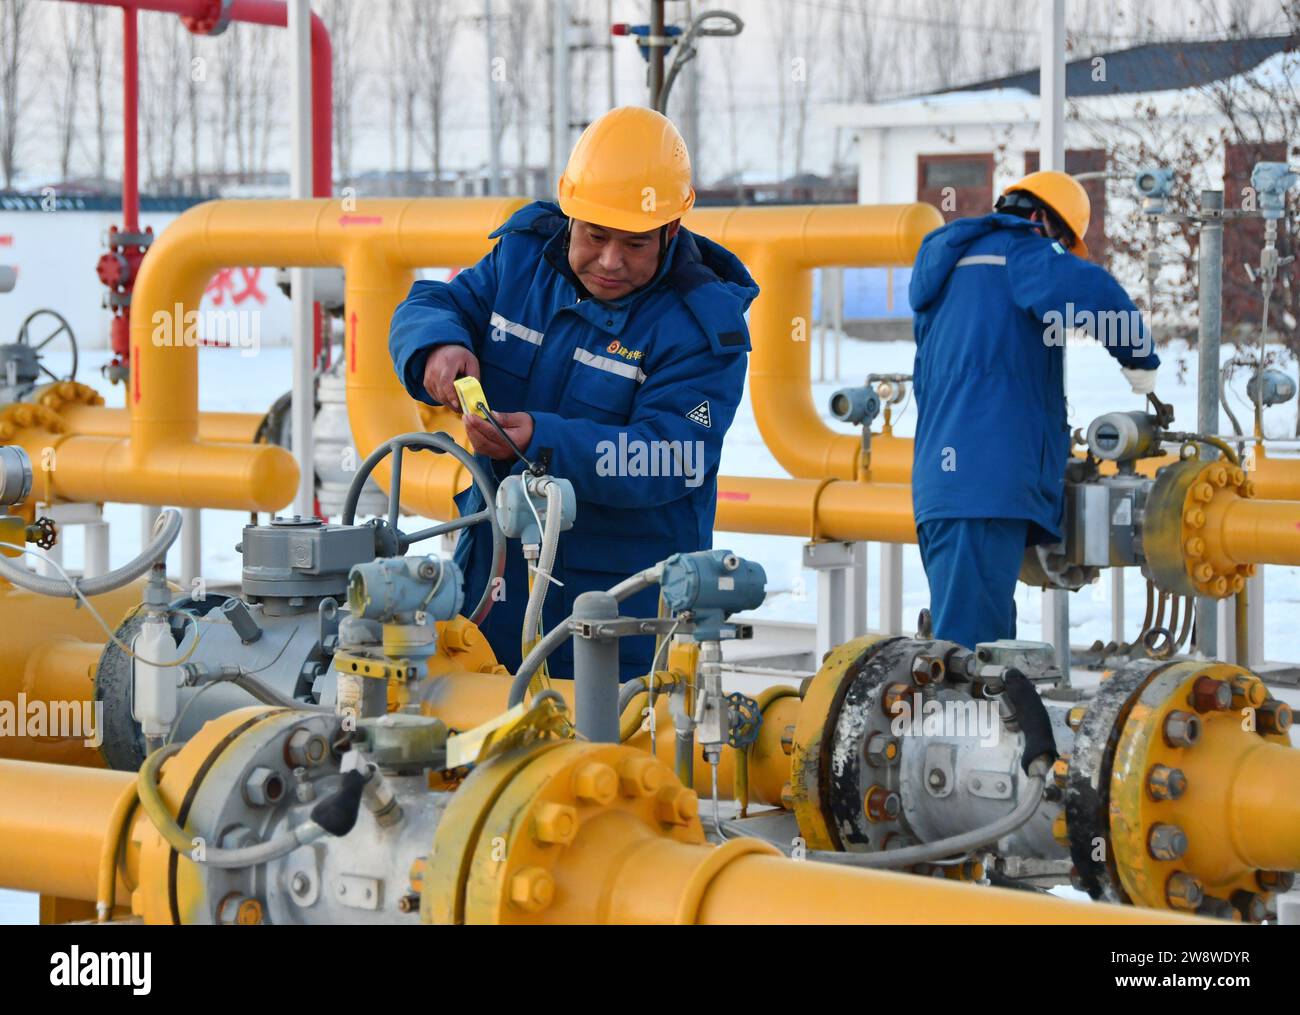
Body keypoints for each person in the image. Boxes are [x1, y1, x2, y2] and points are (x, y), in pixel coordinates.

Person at [388, 106, 758, 680]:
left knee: (608, 765)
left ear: (671, 230)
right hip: (495, 582)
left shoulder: (703, 330)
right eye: (595, 235)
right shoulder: (521, 260)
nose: (610, 261)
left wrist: (543, 440)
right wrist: (436, 349)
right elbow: (431, 305)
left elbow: (673, 454)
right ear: (569, 215)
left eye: (635, 243)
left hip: (622, 616)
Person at [908, 170, 1160, 650]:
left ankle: (983, 719)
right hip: (986, 482)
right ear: (1041, 219)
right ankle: (963, 724)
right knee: (973, 652)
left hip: (945, 483)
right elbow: (1096, 295)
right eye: (1063, 240)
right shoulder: (1019, 253)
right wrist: (1139, 361)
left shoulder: (949, 270)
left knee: (983, 637)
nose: (1060, 250)